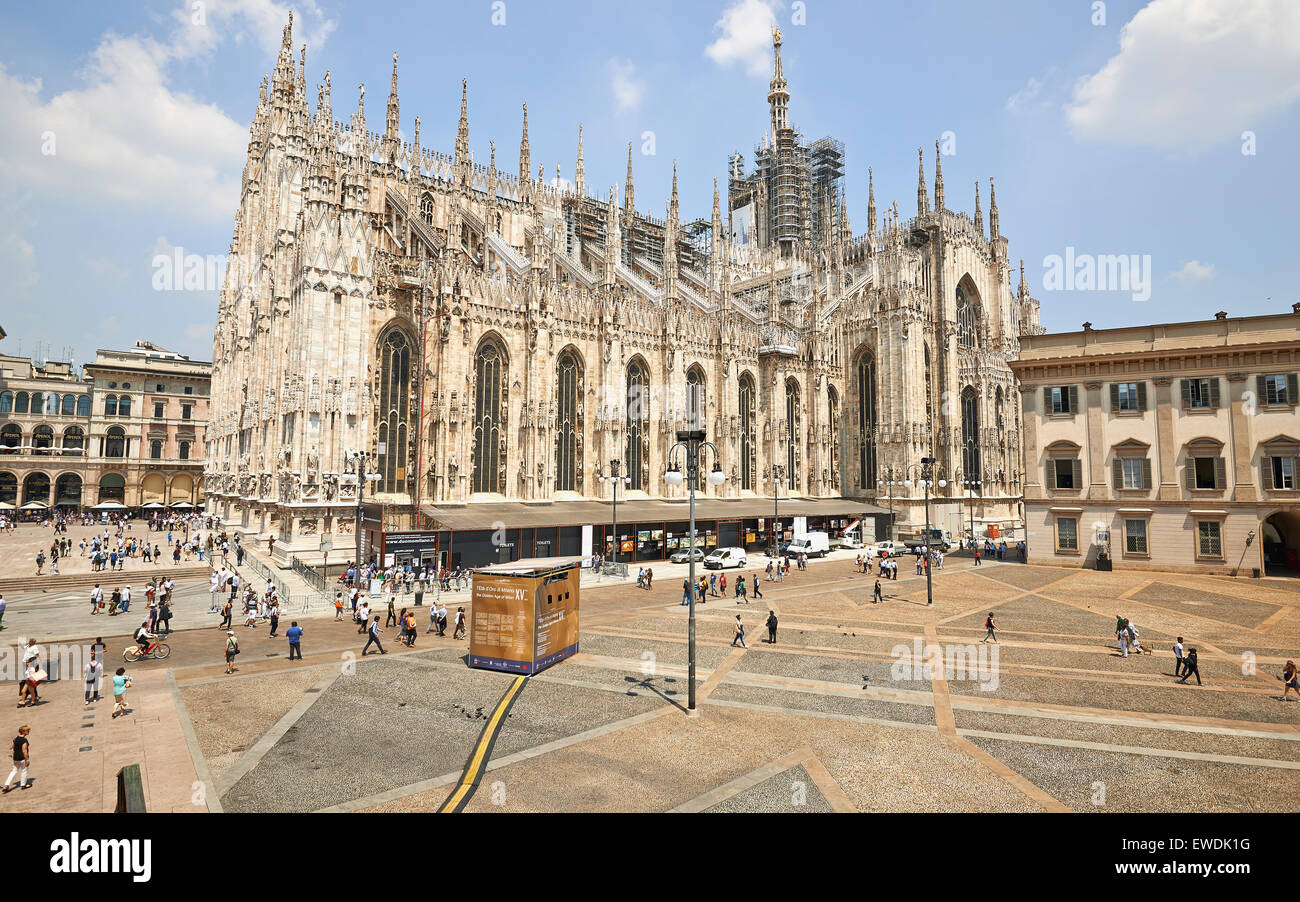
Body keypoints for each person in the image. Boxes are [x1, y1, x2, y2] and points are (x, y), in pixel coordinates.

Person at [2, 726, 31, 793]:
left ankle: (6, 785)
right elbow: (24, 751)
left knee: (14, 771)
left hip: (15, 758)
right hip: (22, 758)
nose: (28, 731)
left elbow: (11, 747)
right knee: (24, 770)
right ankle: (23, 785)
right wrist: (27, 760)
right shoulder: (24, 740)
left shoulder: (15, 738)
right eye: (27, 730)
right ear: (23, 731)